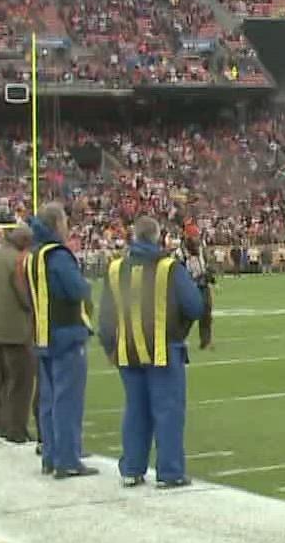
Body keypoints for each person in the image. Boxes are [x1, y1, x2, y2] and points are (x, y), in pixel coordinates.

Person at [99, 217, 205, 489]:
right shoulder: (169, 268)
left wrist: (110, 347)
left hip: (127, 351)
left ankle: (132, 469)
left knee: (135, 409)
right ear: (158, 238)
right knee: (168, 411)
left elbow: (106, 318)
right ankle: (169, 472)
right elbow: (195, 307)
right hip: (162, 350)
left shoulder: (115, 269)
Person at [29, 202, 95, 479]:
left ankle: (51, 455)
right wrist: (85, 284)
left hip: (43, 334)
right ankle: (68, 458)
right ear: (56, 223)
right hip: (66, 334)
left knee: (49, 400)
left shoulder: (34, 255)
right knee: (67, 400)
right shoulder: (58, 256)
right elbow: (76, 288)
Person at [0, 223, 38, 443]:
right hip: (16, 328)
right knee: (21, 382)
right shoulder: (18, 260)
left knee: (6, 380)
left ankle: (6, 424)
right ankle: (16, 428)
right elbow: (24, 295)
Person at [181, 236, 215, 350]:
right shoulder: (184, 257)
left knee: (206, 314)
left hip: (203, 287)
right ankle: (181, 338)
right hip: (192, 287)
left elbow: (208, 268)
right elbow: (185, 273)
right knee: (189, 315)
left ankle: (206, 341)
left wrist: (209, 276)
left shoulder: (201, 254)